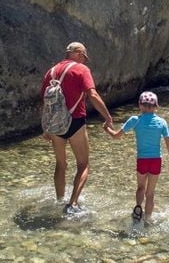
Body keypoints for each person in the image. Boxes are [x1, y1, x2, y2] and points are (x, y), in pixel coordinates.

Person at [40, 42, 114, 214]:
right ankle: (71, 204)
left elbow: (44, 102)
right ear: (79, 54)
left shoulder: (50, 72)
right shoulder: (81, 70)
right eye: (84, 57)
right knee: (83, 164)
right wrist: (107, 117)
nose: (85, 61)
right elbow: (93, 95)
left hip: (55, 125)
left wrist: (45, 128)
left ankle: (59, 200)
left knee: (61, 163)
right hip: (75, 121)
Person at [103, 91, 169, 223]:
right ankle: (148, 219)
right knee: (151, 193)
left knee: (140, 187)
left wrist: (107, 128)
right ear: (156, 107)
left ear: (140, 105)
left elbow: (116, 136)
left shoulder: (135, 120)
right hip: (156, 161)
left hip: (142, 160)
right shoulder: (161, 122)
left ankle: (138, 206)